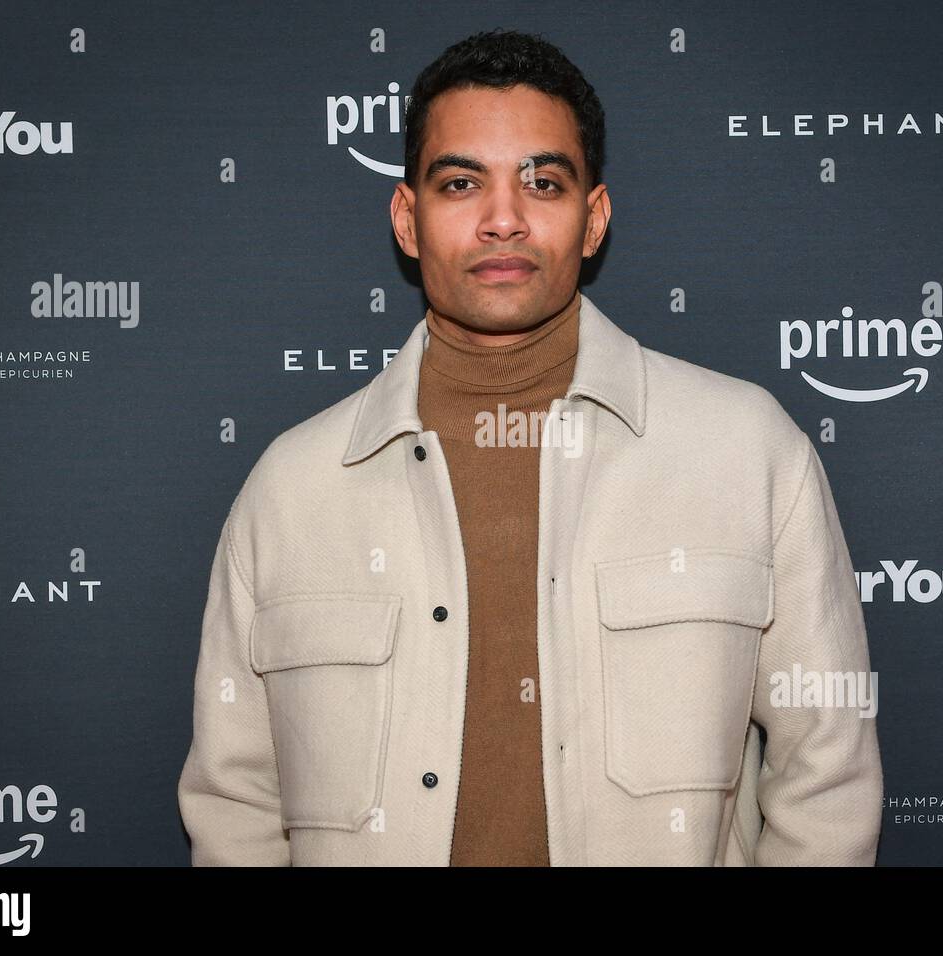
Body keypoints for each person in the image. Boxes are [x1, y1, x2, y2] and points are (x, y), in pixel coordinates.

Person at [178, 28, 882, 866]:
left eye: (543, 182)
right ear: (408, 219)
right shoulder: (291, 489)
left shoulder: (748, 452)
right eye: (461, 182)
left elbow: (827, 776)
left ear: (594, 219)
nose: (503, 219)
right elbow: (236, 804)